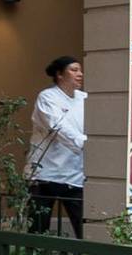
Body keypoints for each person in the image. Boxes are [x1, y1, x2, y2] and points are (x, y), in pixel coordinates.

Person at [25, 54, 87, 237]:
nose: (80, 74)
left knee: (83, 225)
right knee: (38, 227)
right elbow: (57, 127)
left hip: (75, 172)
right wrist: (85, 143)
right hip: (46, 172)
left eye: (80, 70)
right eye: (74, 70)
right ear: (60, 74)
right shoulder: (47, 97)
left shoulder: (84, 98)